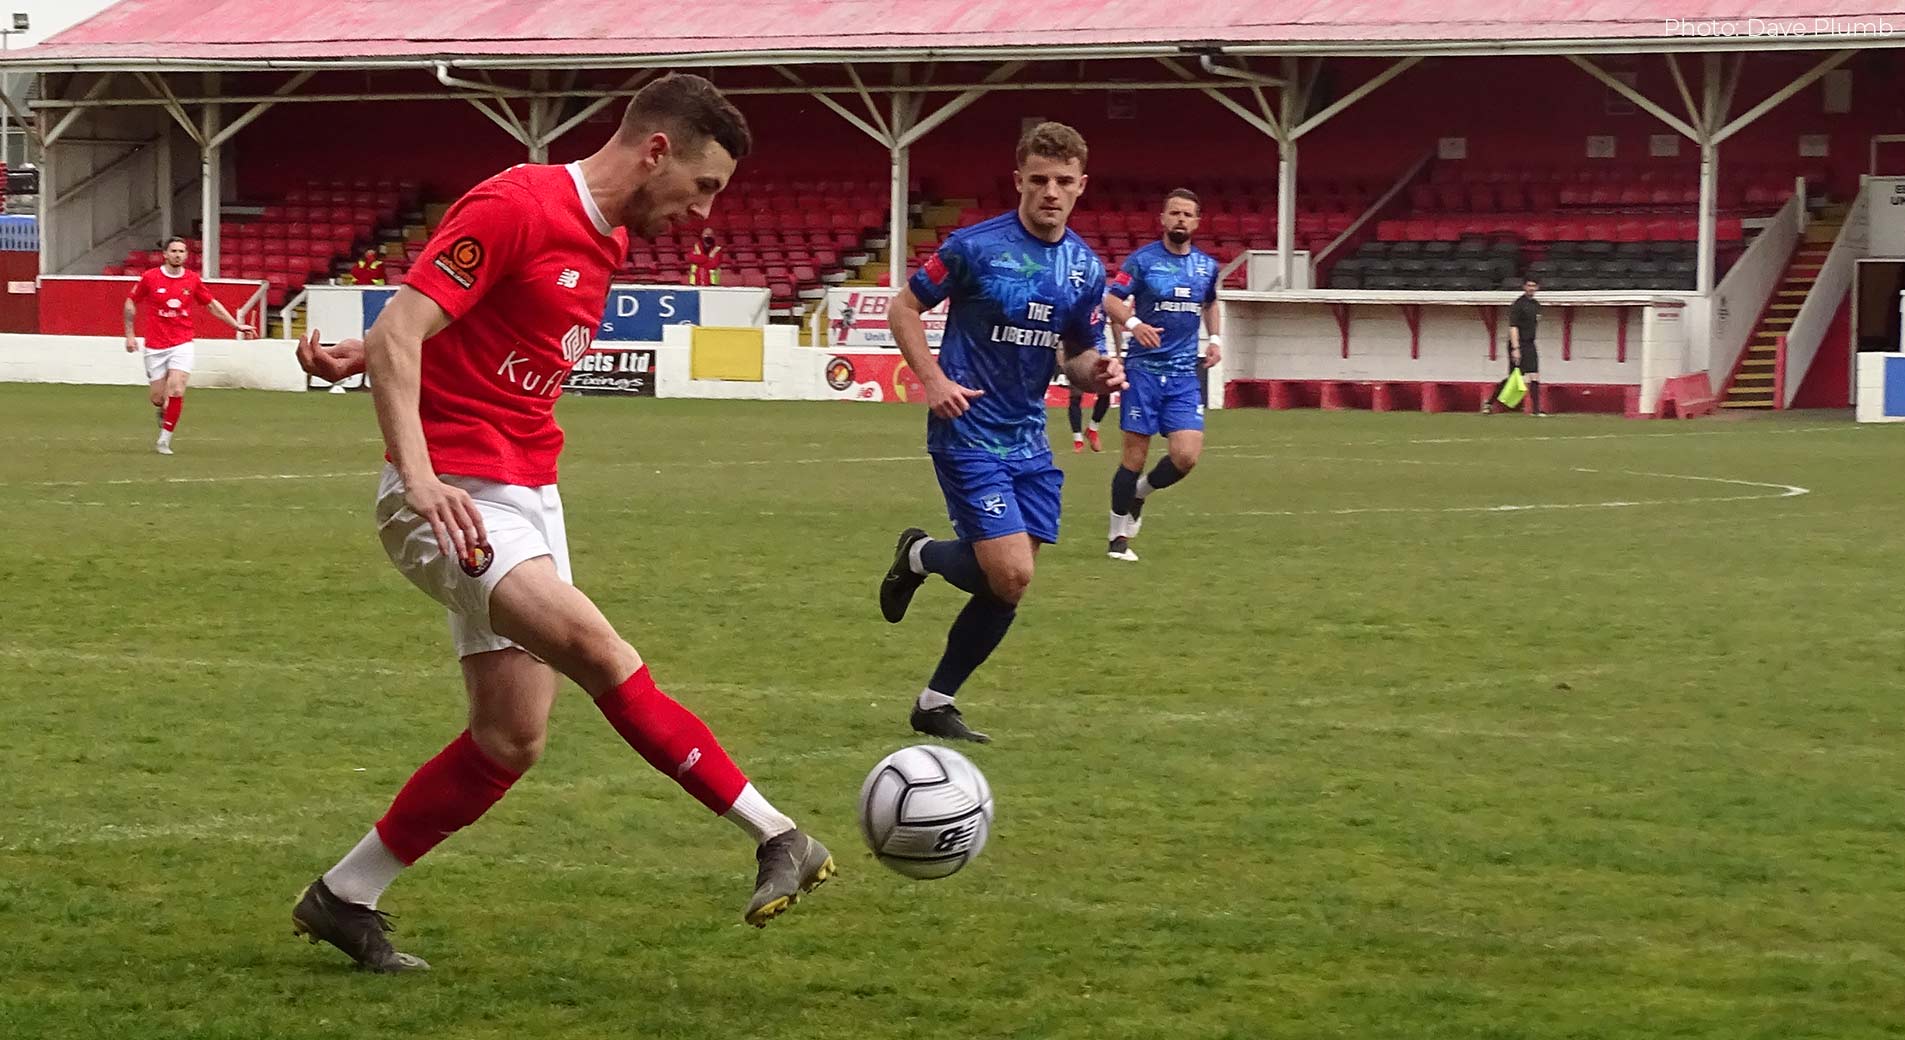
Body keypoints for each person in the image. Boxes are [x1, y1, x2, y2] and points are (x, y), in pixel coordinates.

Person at [286, 74, 832, 974]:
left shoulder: (608, 235)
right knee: (598, 648)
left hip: (530, 492)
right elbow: (401, 328)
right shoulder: (519, 204)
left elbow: (449, 327)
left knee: (510, 738)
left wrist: (376, 353)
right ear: (657, 150)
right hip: (452, 496)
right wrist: (416, 471)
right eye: (703, 188)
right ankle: (776, 833)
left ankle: (345, 897)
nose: (703, 215)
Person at [875, 121, 1126, 744]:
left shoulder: (1084, 270)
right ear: (1018, 180)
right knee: (1012, 573)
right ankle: (921, 556)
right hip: (967, 429)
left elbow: (1074, 354)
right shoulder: (973, 248)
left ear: (1081, 187)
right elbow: (902, 307)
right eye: (1038, 179)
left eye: (1063, 182)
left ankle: (935, 699)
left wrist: (1096, 373)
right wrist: (933, 380)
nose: (1050, 191)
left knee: (1007, 584)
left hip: (1029, 437)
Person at [1101, 189, 1222, 562]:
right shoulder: (1143, 261)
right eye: (1175, 213)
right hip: (1144, 372)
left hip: (1185, 374)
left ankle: (1141, 494)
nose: (1181, 219)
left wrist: (1215, 338)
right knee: (1133, 455)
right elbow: (1110, 298)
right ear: (1163, 219)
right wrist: (1134, 323)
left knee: (1186, 457)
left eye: (1188, 214)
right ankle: (1117, 537)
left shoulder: (1206, 266)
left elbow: (1211, 301)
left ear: (1197, 222)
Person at [121, 236, 255, 455]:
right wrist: (130, 335)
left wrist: (236, 325)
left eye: (182, 251)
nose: (177, 255)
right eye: (173, 251)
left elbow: (211, 305)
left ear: (186, 255)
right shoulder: (150, 278)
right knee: (158, 398)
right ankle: (163, 410)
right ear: (164, 254)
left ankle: (164, 440)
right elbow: (130, 302)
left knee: (177, 386)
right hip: (155, 345)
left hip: (182, 342)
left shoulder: (192, 280)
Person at [1483, 278, 1545, 416]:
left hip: (1530, 343)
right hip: (1518, 343)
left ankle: (1535, 409)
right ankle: (1489, 403)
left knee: (1534, 375)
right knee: (1513, 377)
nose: (1531, 288)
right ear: (1524, 287)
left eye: (1534, 286)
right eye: (1529, 285)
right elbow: (1513, 327)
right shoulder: (1518, 304)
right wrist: (1516, 348)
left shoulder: (1536, 305)